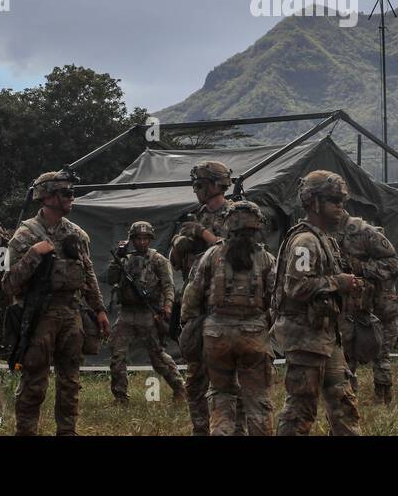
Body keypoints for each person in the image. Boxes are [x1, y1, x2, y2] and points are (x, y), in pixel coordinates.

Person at [2, 170, 110, 435]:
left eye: (72, 193)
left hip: (71, 314)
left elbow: (88, 274)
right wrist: (33, 255)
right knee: (34, 382)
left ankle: (67, 431)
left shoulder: (77, 234)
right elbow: (9, 283)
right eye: (66, 193)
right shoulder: (25, 235)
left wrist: (99, 310)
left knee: (70, 382)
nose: (72, 198)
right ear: (47, 197)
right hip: (40, 316)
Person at [272, 170, 362, 436]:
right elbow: (296, 286)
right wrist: (338, 282)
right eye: (334, 200)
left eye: (341, 201)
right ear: (313, 202)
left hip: (325, 337)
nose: (340, 207)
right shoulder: (305, 241)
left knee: (343, 404)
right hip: (305, 339)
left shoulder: (325, 240)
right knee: (300, 411)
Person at [180, 202, 276, 434]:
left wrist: (190, 326)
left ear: (227, 226)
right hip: (253, 335)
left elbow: (192, 295)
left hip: (216, 335)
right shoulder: (266, 258)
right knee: (258, 401)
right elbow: (277, 297)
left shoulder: (211, 255)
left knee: (221, 396)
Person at [170, 160, 234, 434]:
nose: (195, 190)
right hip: (195, 307)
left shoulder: (236, 215)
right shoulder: (193, 216)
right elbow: (174, 263)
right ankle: (200, 428)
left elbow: (237, 253)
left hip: (226, 306)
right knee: (195, 376)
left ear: (215, 185)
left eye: (199, 185)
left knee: (227, 377)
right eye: (194, 185)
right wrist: (180, 244)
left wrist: (203, 234)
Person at [336, 207, 398, 403]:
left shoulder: (384, 266)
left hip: (383, 312)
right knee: (357, 353)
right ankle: (359, 395)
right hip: (365, 309)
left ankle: (382, 396)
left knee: (380, 355)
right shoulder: (375, 267)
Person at [108, 220, 185, 405]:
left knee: (158, 357)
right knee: (117, 355)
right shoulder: (124, 259)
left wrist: (166, 307)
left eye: (145, 238)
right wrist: (116, 262)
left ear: (150, 239)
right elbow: (111, 279)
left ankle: (180, 388)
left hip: (149, 312)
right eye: (137, 238)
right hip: (127, 312)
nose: (141, 242)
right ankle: (120, 397)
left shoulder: (157, 259)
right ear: (132, 239)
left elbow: (168, 285)